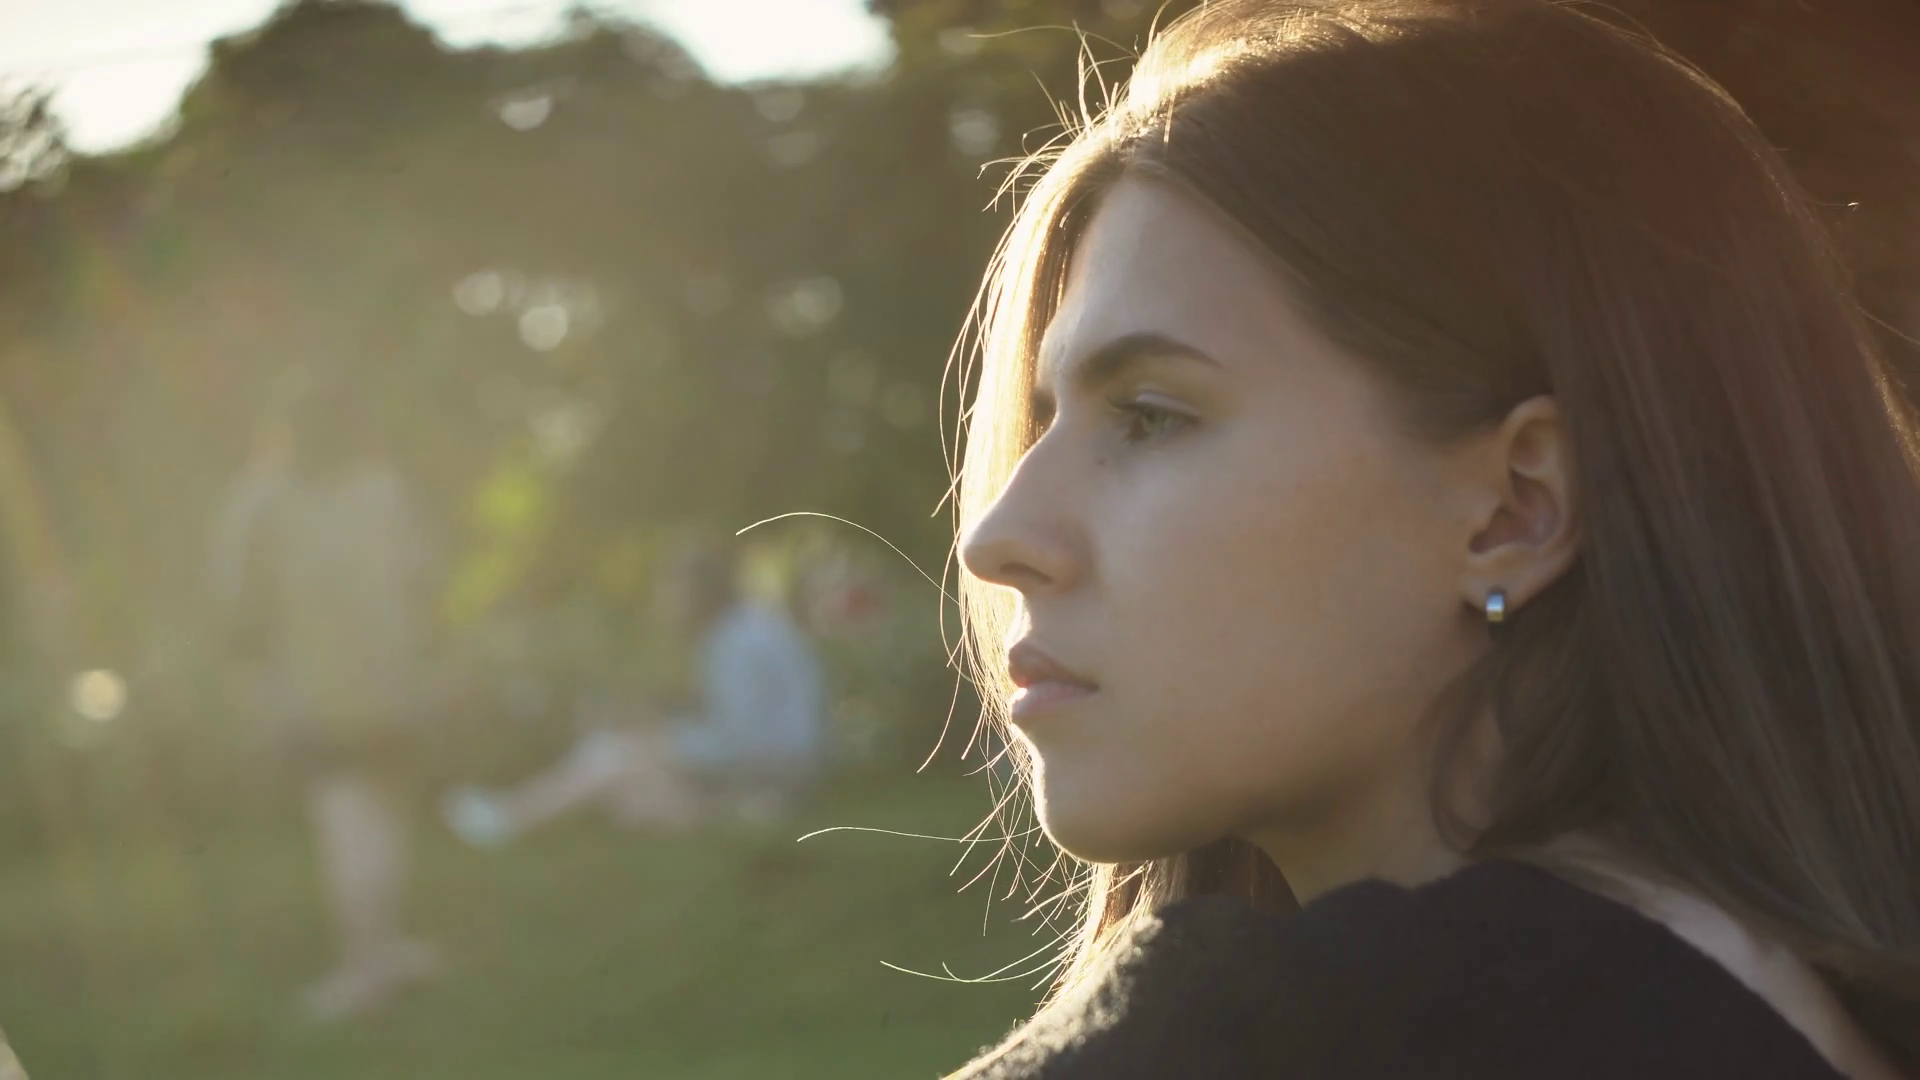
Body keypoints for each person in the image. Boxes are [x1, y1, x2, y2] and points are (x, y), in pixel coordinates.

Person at [945, 2, 1920, 1077]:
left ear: (1515, 508)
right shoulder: (1807, 1016)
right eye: (1046, 425)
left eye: (1151, 416)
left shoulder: (1304, 1034)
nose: (1000, 538)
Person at [210, 382, 442, 1023]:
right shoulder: (384, 489)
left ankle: (366, 970)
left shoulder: (259, 498)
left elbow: (237, 599)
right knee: (383, 823)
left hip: (314, 691)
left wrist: (251, 683)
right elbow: (421, 581)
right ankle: (378, 957)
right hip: (388, 681)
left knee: (347, 826)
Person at [443, 538, 827, 846]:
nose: (663, 601)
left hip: (777, 769)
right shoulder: (744, 629)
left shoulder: (734, 643)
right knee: (628, 789)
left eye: (670, 589)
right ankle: (728, 817)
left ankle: (508, 819)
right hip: (785, 768)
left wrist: (664, 739)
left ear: (698, 591)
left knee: (612, 755)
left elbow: (745, 740)